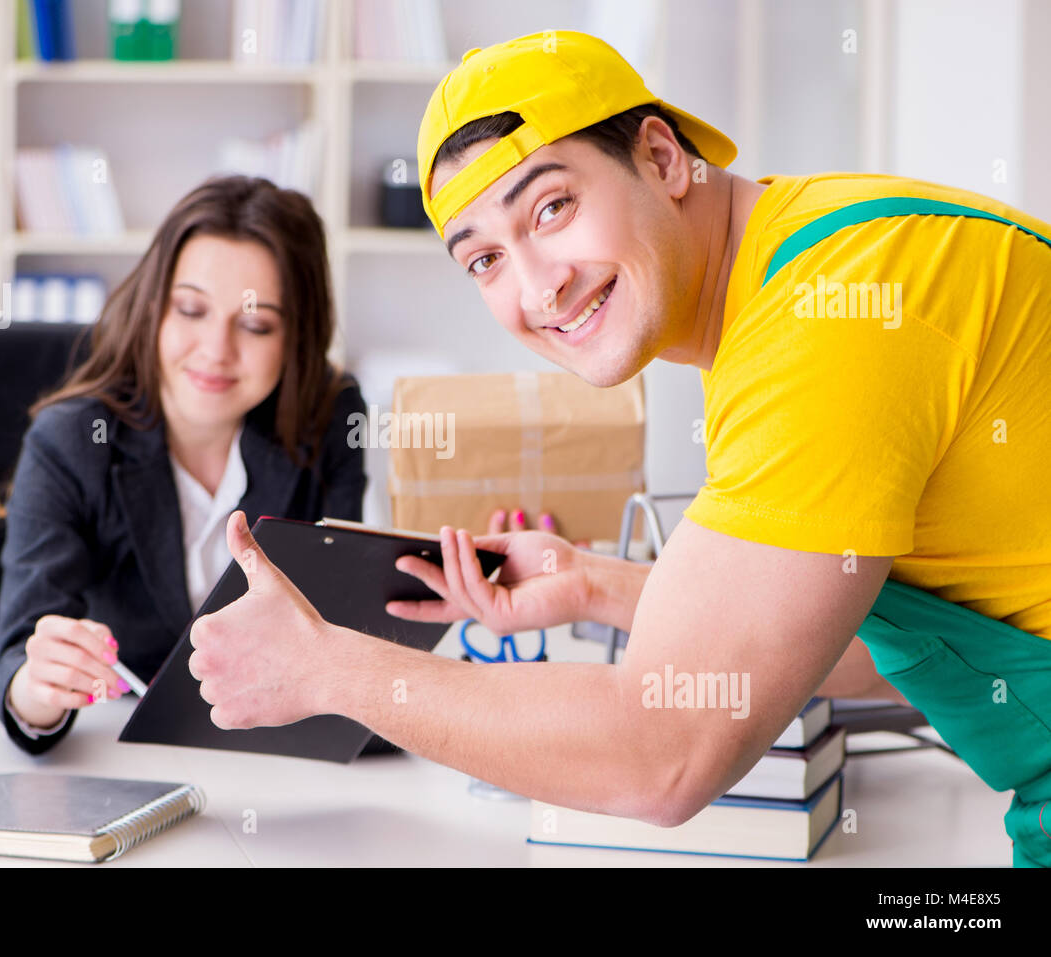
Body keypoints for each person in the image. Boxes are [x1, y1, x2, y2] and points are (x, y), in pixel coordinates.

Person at [184, 33, 1051, 866]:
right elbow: (871, 656)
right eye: (484, 258)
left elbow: (662, 755)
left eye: (552, 207)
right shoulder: (794, 269)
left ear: (664, 159)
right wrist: (593, 584)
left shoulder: (828, 313)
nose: (537, 286)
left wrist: (329, 668)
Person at [0, 174, 367, 754]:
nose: (216, 350)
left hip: (283, 761)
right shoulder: (71, 441)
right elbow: (20, 658)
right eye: (191, 310)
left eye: (255, 323)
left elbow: (348, 626)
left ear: (296, 339)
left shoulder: (330, 419)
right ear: (154, 307)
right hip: (123, 756)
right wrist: (37, 689)